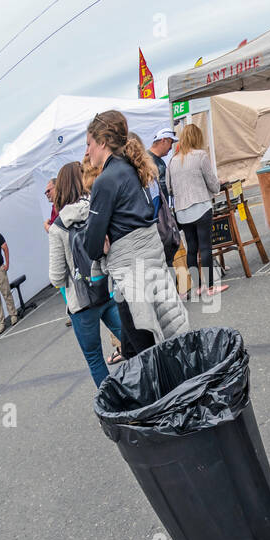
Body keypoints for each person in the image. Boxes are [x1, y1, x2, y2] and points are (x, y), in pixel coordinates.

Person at [83, 109, 189, 356]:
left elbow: (92, 245)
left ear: (103, 142)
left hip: (132, 278)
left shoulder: (105, 180)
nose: (87, 152)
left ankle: (168, 393)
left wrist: (102, 240)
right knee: (143, 344)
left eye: (89, 144)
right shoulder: (131, 168)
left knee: (146, 351)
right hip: (151, 267)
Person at [48, 161, 125, 386]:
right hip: (107, 290)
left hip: (81, 303)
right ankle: (150, 385)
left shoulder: (57, 228)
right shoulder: (97, 211)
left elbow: (56, 277)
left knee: (95, 359)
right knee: (131, 341)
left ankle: (115, 408)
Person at [168, 123, 229, 302]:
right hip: (201, 206)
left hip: (182, 210)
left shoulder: (172, 161)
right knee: (205, 246)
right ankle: (210, 287)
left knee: (192, 248)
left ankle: (199, 286)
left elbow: (170, 188)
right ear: (197, 138)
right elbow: (212, 183)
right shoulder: (201, 156)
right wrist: (220, 183)